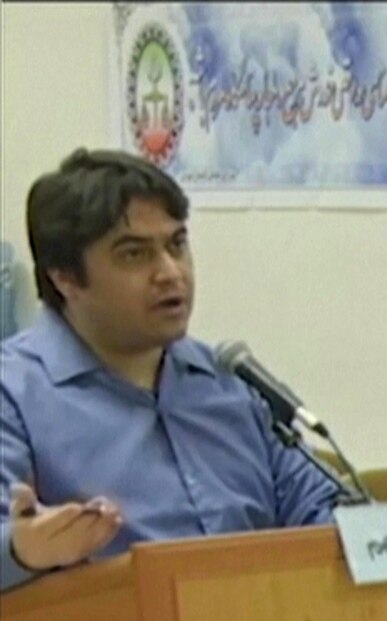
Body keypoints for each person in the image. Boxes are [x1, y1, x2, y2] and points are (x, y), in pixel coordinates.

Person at [0, 149, 340, 592]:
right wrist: (21, 551)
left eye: (177, 245)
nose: (170, 273)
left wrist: (373, 536)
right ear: (65, 277)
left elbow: (318, 507)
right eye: (134, 254)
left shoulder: (229, 379)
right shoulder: (13, 393)